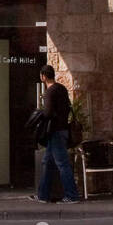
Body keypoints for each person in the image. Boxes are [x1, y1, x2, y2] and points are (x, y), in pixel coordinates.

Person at [32, 65, 80, 204]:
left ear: (43, 77)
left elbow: (47, 113)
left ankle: (72, 195)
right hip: (63, 130)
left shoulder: (50, 92)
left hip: (55, 132)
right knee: (47, 162)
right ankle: (43, 195)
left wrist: (39, 115)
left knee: (62, 164)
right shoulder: (62, 89)